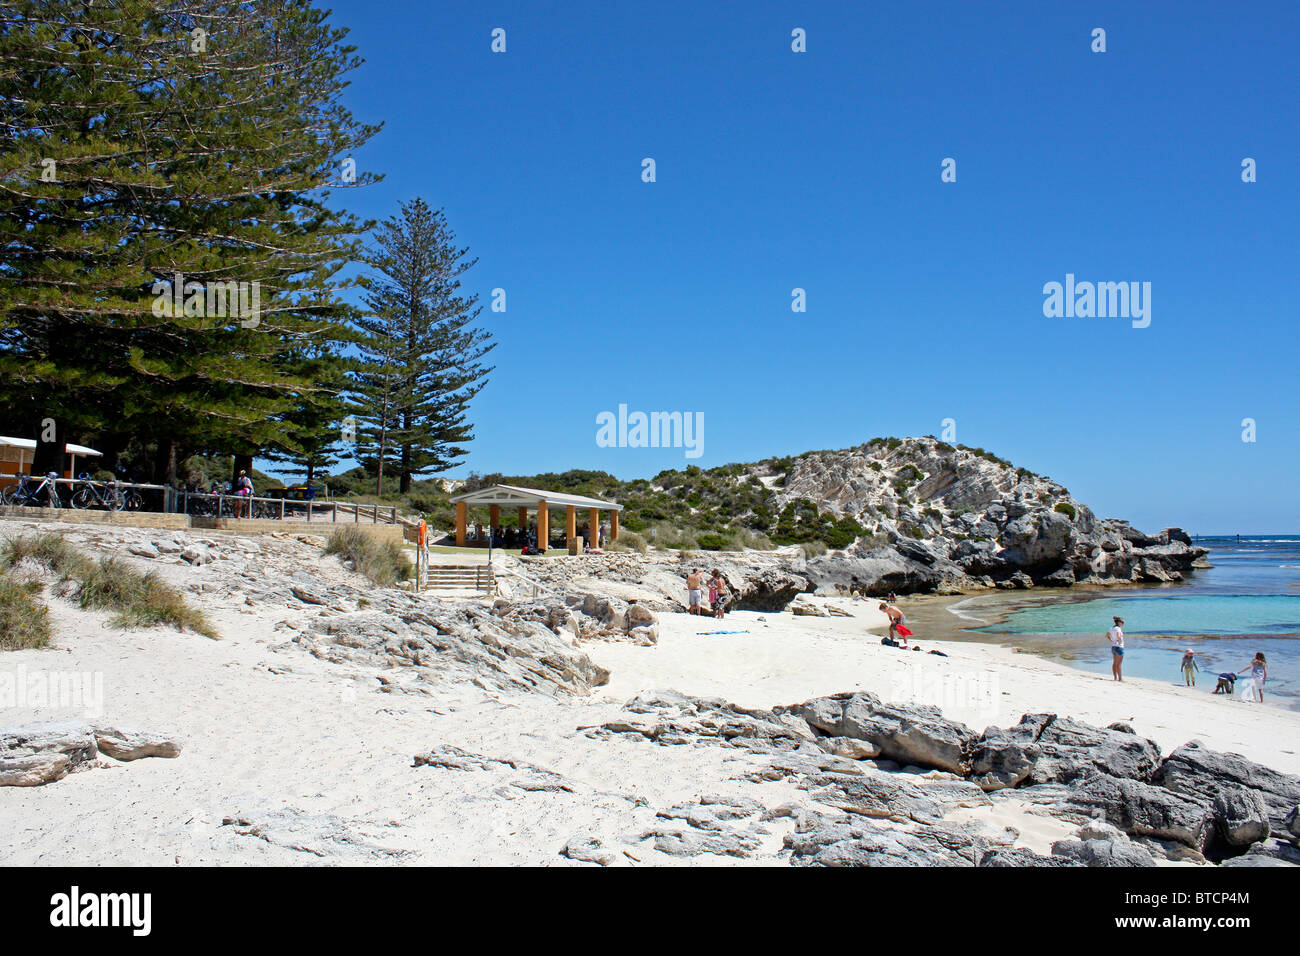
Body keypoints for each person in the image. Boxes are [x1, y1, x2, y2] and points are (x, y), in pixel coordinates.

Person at [1107, 616, 1125, 681]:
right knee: (1119, 664)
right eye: (1122, 622)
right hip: (1119, 647)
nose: (1123, 624)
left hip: (1113, 646)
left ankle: (1115, 678)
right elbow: (1118, 636)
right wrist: (1120, 642)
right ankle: (1120, 679)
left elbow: (1107, 635)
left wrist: (1111, 640)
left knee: (1114, 663)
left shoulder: (1111, 628)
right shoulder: (1118, 629)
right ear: (1119, 622)